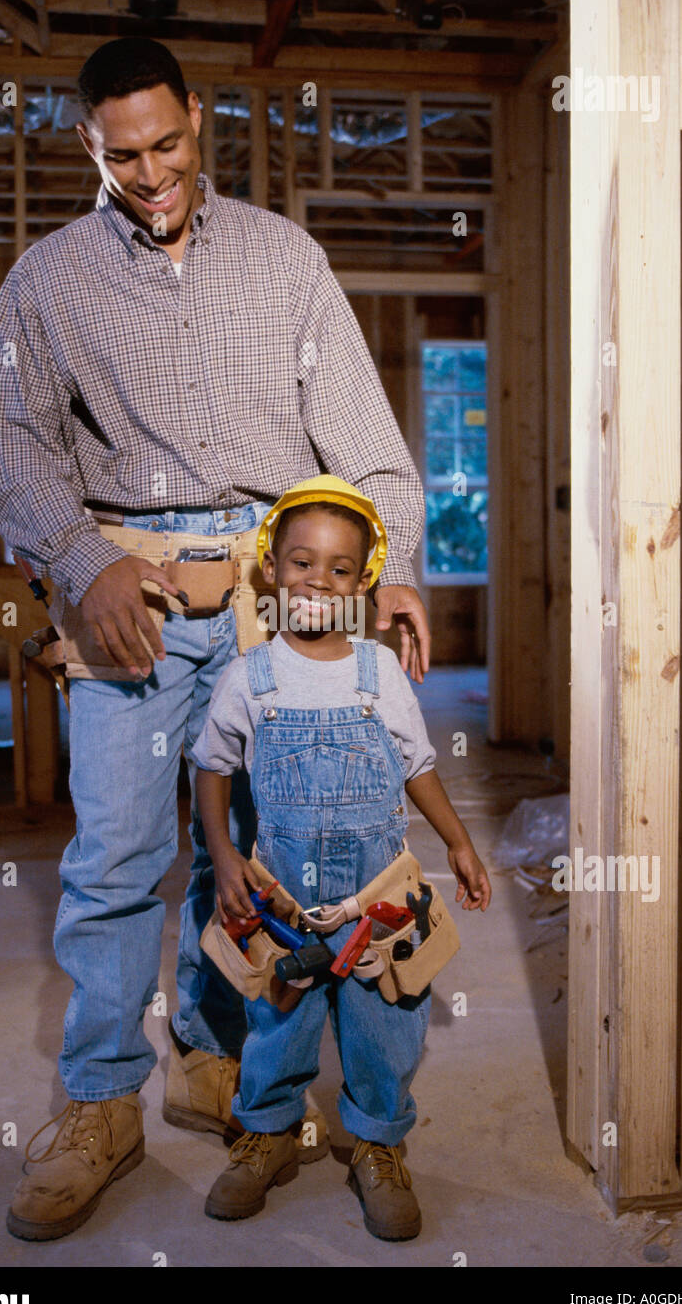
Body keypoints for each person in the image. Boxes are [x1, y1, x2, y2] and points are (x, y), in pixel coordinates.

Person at [0, 38, 433, 1242]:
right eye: (122, 153)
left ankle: (217, 1059)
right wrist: (85, 564)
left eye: (168, 144)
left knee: (255, 854)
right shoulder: (46, 281)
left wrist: (395, 569)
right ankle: (96, 1104)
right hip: (123, 602)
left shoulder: (285, 262)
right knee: (120, 856)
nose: (150, 171)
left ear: (199, 119)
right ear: (90, 141)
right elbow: (18, 454)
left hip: (270, 602)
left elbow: (366, 438)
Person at [191, 476, 492, 1240]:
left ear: (363, 582)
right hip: (281, 897)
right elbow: (211, 767)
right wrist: (224, 857)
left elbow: (416, 763)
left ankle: (378, 1145)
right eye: (299, 563)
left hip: (377, 894)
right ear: (271, 570)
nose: (316, 582)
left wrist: (457, 842)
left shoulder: (377, 672)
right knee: (276, 1016)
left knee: (385, 1015)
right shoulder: (248, 677)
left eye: (337, 569)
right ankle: (266, 1133)